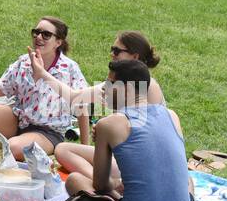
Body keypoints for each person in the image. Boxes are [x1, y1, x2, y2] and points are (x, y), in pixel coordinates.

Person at [63, 60, 194, 201]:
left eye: (109, 84)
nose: (104, 89)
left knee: (74, 180)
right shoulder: (171, 115)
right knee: (188, 180)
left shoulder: (109, 124)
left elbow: (100, 185)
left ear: (127, 89)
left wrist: (115, 183)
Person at [0, 16, 88, 160]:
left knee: (12, 148)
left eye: (46, 34)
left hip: (47, 132)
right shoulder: (24, 61)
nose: (38, 37)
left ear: (58, 42)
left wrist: (84, 148)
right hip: (18, 120)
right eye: (36, 32)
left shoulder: (69, 68)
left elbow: (82, 106)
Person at [52, 31, 166, 181]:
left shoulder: (147, 87)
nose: (112, 54)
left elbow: (145, 140)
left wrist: (106, 132)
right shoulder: (124, 82)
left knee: (74, 179)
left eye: (117, 51)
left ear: (135, 56)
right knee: (62, 150)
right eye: (112, 49)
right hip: (127, 158)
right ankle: (101, 180)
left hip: (141, 166)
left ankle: (102, 182)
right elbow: (76, 98)